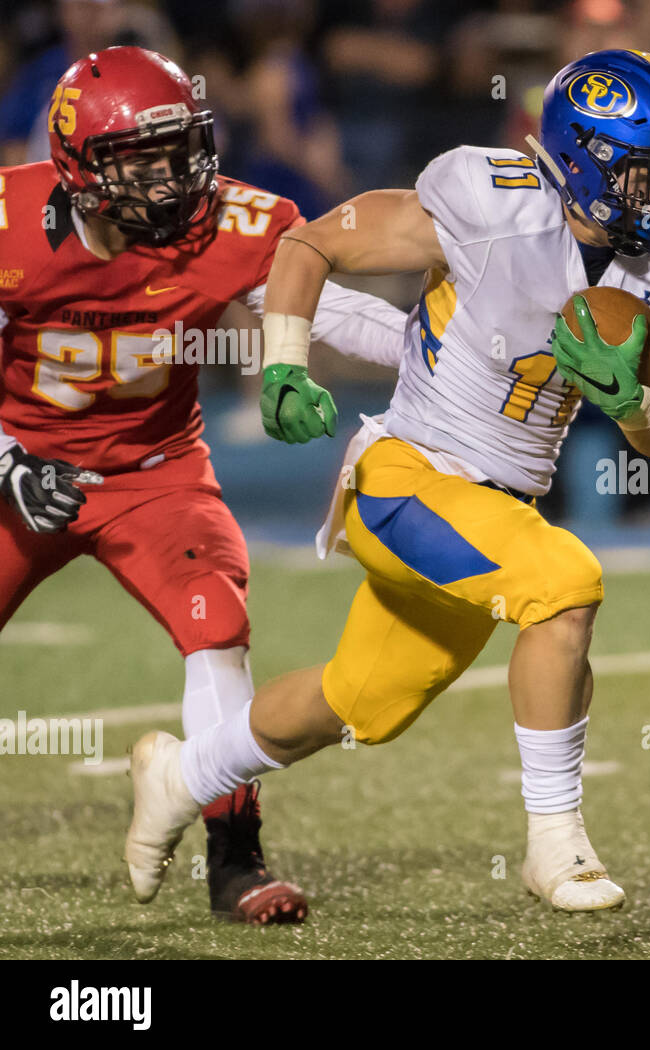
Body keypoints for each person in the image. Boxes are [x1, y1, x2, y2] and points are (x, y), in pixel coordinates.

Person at [122, 48, 650, 913]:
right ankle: (557, 847)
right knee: (566, 584)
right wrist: (287, 365)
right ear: (587, 162)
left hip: (491, 509)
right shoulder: (489, 204)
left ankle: (180, 775)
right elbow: (308, 242)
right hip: (406, 476)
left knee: (357, 700)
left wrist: (634, 406)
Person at [0, 46, 408, 923]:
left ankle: (236, 855)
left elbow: (332, 312)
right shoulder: (8, 223)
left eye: (182, 149)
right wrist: (10, 463)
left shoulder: (227, 225)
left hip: (154, 473)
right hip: (20, 464)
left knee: (217, 622)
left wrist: (452, 359)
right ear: (81, 165)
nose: (174, 177)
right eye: (145, 160)